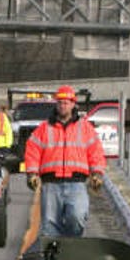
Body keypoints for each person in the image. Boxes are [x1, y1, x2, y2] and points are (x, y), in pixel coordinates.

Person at [23, 85, 106, 237]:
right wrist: (32, 173)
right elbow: (32, 150)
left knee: (77, 217)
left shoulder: (85, 128)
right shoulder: (44, 128)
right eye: (60, 102)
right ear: (56, 104)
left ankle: (70, 248)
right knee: (49, 227)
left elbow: (96, 152)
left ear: (73, 104)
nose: (63, 105)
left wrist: (97, 173)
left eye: (66, 102)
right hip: (50, 185)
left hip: (77, 184)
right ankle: (55, 259)